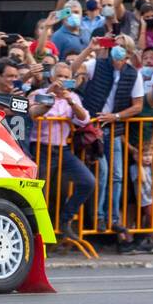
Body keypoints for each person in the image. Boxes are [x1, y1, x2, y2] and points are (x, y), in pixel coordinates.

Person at [76, 36, 142, 244]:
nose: (117, 49)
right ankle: (99, 217)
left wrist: (116, 116)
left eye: (122, 46)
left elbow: (138, 106)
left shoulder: (133, 74)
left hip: (114, 128)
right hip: (92, 128)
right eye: (115, 45)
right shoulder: (98, 64)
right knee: (103, 172)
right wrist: (89, 49)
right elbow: (74, 68)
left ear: (129, 52)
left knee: (117, 175)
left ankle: (113, 217)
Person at [29, 75, 95, 241]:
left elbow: (84, 119)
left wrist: (71, 102)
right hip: (40, 148)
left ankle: (65, 220)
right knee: (40, 194)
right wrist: (49, 92)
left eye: (67, 77)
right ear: (51, 77)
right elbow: (31, 112)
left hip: (62, 149)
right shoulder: (39, 92)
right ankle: (38, 236)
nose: (63, 81)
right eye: (60, 77)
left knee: (88, 181)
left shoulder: (72, 97)